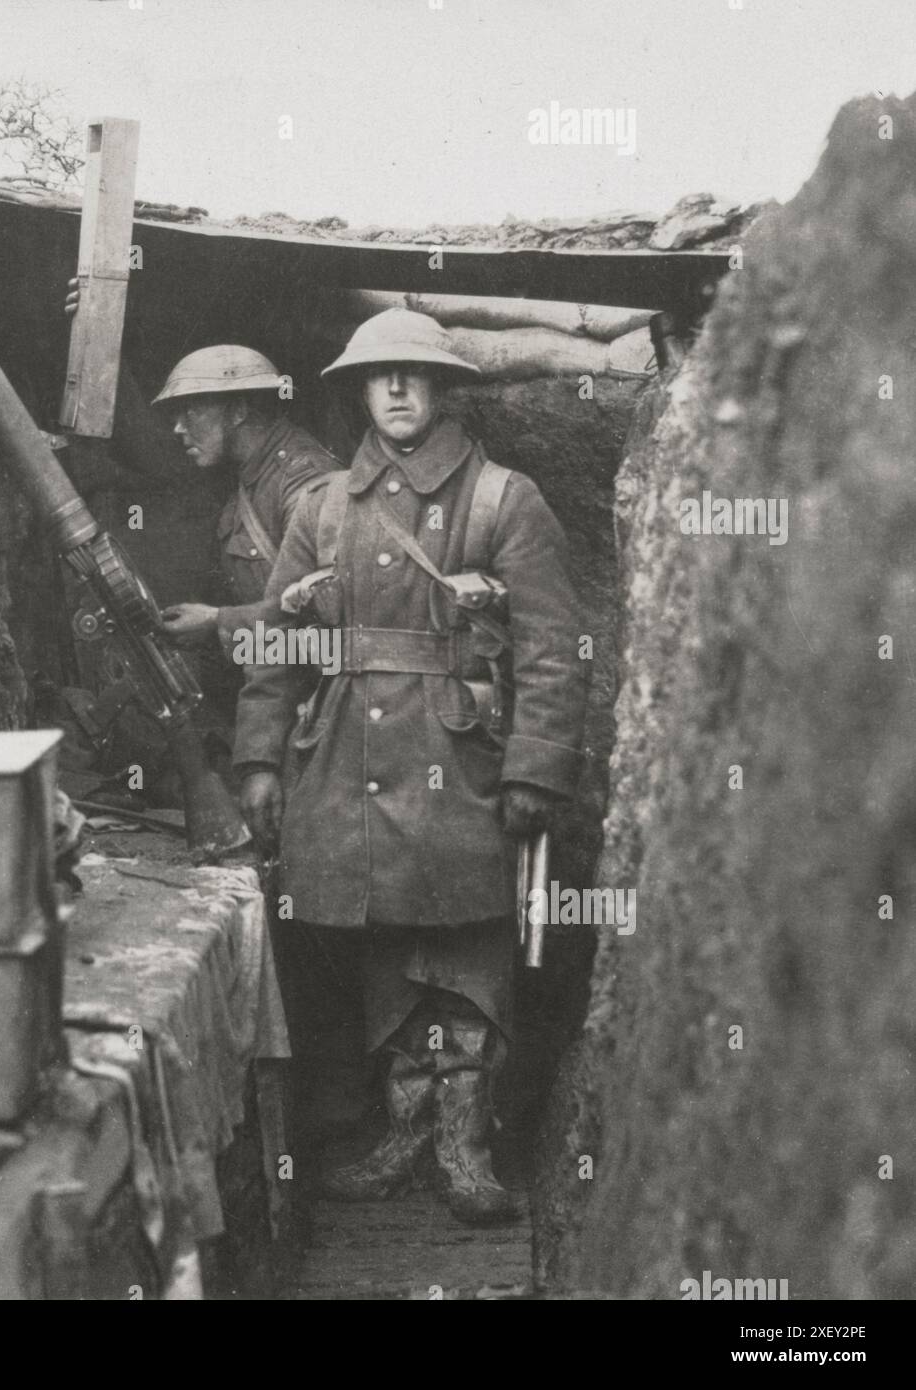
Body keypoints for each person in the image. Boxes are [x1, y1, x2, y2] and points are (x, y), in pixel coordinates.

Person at [232, 308, 588, 1223]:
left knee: (468, 949)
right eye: (379, 375)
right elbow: (276, 645)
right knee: (387, 950)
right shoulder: (320, 508)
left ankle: (466, 1143)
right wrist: (261, 762)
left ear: (441, 388)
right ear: (359, 388)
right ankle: (401, 1133)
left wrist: (535, 771)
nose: (395, 390)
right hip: (350, 759)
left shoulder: (504, 499)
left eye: (413, 375)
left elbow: (551, 647)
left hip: (461, 760)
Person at [149, 345, 340, 661]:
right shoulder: (247, 479)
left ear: (238, 411)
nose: (178, 427)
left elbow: (323, 621)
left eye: (192, 411)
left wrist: (216, 622)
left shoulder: (304, 482)